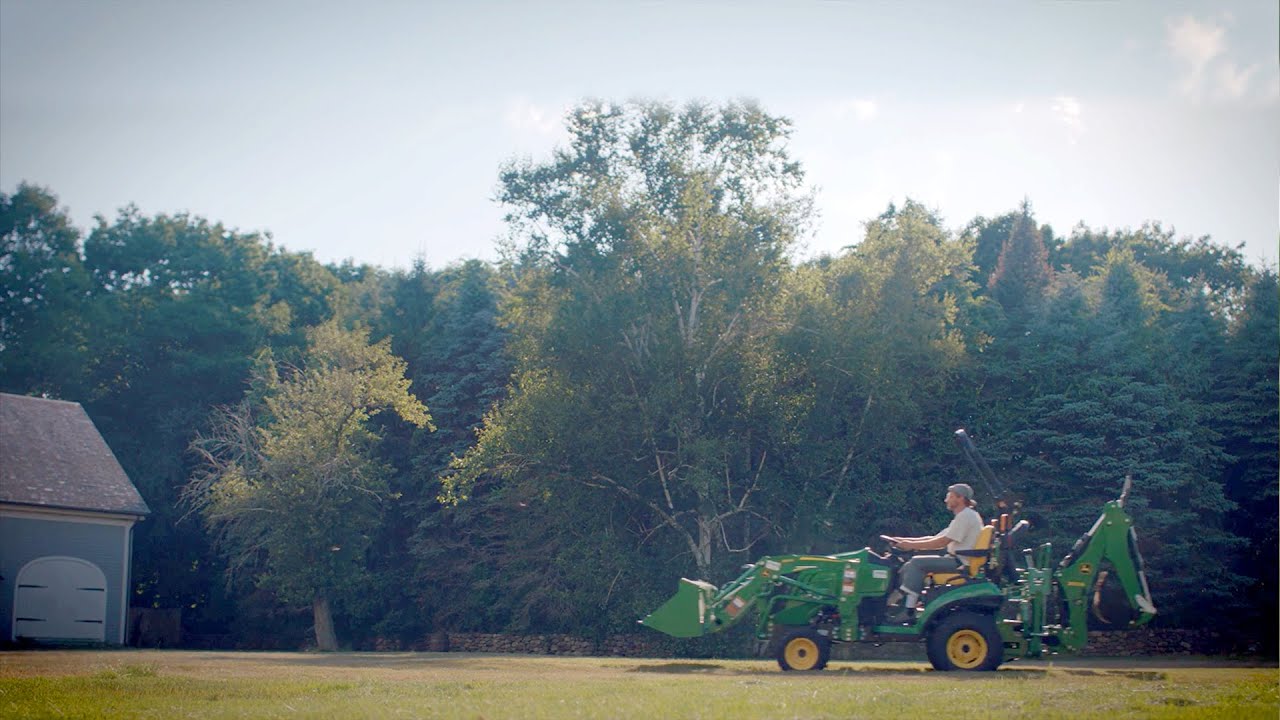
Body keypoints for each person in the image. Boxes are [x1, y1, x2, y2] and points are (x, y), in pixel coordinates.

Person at [881, 483, 983, 624]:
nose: (946, 500)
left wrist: (910, 546)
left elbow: (941, 542)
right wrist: (902, 540)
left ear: (960, 498)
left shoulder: (965, 517)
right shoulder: (965, 516)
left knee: (917, 563)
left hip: (960, 563)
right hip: (957, 560)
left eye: (950, 496)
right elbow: (933, 538)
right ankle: (898, 601)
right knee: (908, 565)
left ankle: (907, 609)